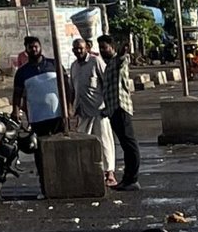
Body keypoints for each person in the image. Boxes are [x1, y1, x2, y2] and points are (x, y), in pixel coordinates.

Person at [10, 36, 66, 195]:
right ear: (26, 50)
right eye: (30, 47)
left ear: (40, 47)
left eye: (35, 46)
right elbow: (17, 94)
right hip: (37, 118)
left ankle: (62, 185)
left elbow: (66, 86)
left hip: (58, 116)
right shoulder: (22, 72)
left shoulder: (53, 64)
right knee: (41, 155)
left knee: (60, 152)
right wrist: (16, 111)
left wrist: (68, 108)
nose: (33, 49)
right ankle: (45, 187)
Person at [96, 33, 141, 189]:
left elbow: (122, 58)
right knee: (125, 144)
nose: (102, 51)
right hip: (112, 110)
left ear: (112, 47)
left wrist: (123, 51)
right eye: (100, 48)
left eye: (105, 47)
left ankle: (132, 179)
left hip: (121, 108)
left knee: (129, 144)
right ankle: (127, 179)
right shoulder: (108, 65)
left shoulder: (117, 61)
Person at [69, 36, 116, 185]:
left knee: (104, 142)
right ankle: (91, 173)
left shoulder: (95, 62)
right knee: (83, 144)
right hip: (82, 111)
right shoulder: (74, 66)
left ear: (87, 48)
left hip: (98, 110)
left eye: (81, 48)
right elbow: (72, 89)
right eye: (76, 49)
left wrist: (109, 107)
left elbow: (107, 83)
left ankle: (110, 173)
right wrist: (71, 109)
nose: (78, 51)